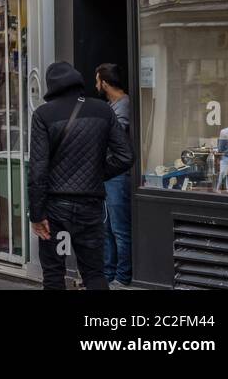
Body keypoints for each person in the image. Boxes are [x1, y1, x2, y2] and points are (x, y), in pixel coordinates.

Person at [29, 61, 133, 290]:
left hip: (56, 210)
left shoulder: (43, 115)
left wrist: (37, 214)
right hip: (91, 206)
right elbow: (125, 156)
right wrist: (96, 174)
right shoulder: (102, 109)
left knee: (54, 272)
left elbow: (38, 168)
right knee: (94, 272)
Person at [95, 63, 133, 287]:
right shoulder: (112, 105)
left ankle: (122, 276)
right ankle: (109, 274)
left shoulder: (124, 105)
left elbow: (115, 135)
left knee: (119, 228)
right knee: (107, 227)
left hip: (118, 175)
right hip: (108, 174)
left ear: (105, 83)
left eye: (97, 80)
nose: (95, 85)